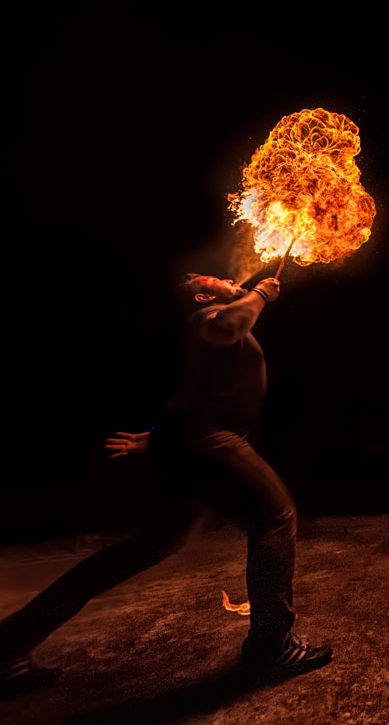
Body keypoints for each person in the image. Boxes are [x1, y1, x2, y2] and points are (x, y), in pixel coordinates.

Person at [0, 274, 331, 697]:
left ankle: (9, 645)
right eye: (213, 278)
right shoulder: (209, 317)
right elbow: (229, 326)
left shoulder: (209, 327)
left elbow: (191, 390)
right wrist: (261, 293)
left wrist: (158, 436)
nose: (231, 278)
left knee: (146, 548)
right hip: (213, 438)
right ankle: (272, 649)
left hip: (189, 438)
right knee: (276, 517)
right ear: (202, 294)